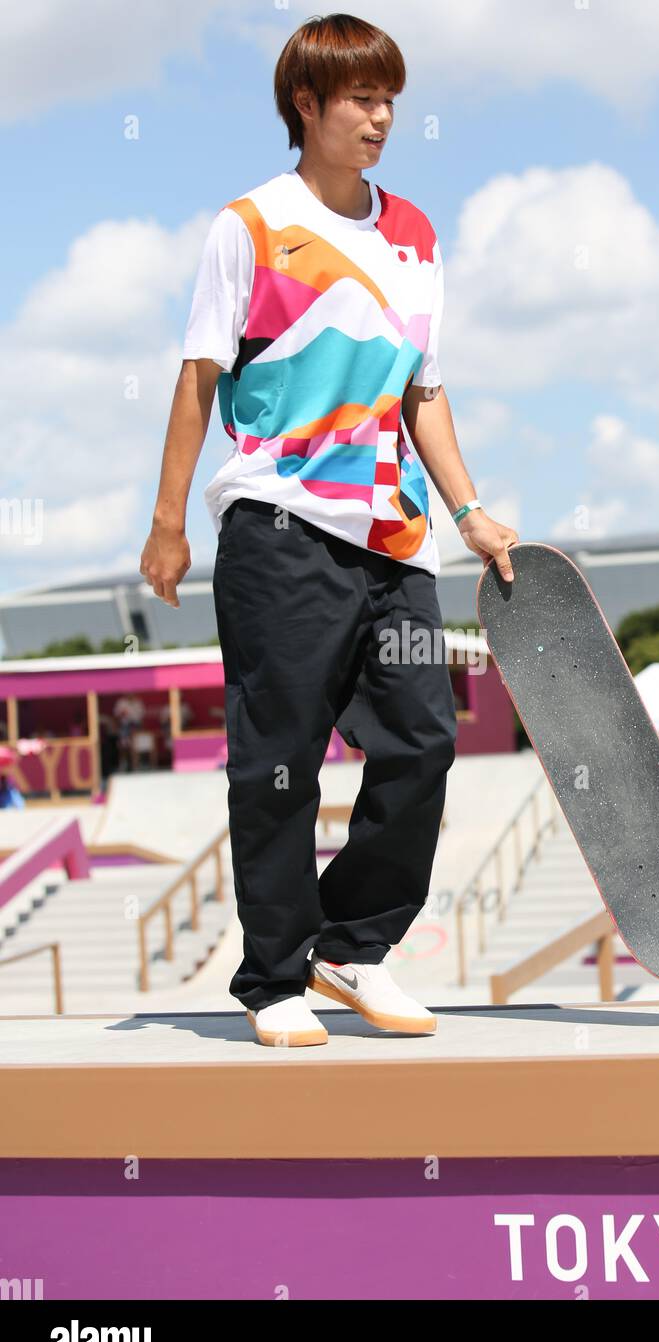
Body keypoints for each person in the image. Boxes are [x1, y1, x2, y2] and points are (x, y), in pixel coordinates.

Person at [139, 13, 518, 1047]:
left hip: (393, 537)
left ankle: (351, 946)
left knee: (422, 744)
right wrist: (169, 522)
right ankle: (272, 982)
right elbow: (196, 380)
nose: (380, 116)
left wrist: (471, 513)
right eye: (359, 98)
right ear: (305, 105)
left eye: (389, 97)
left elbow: (423, 389)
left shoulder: (415, 234)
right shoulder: (250, 226)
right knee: (281, 759)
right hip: (278, 529)